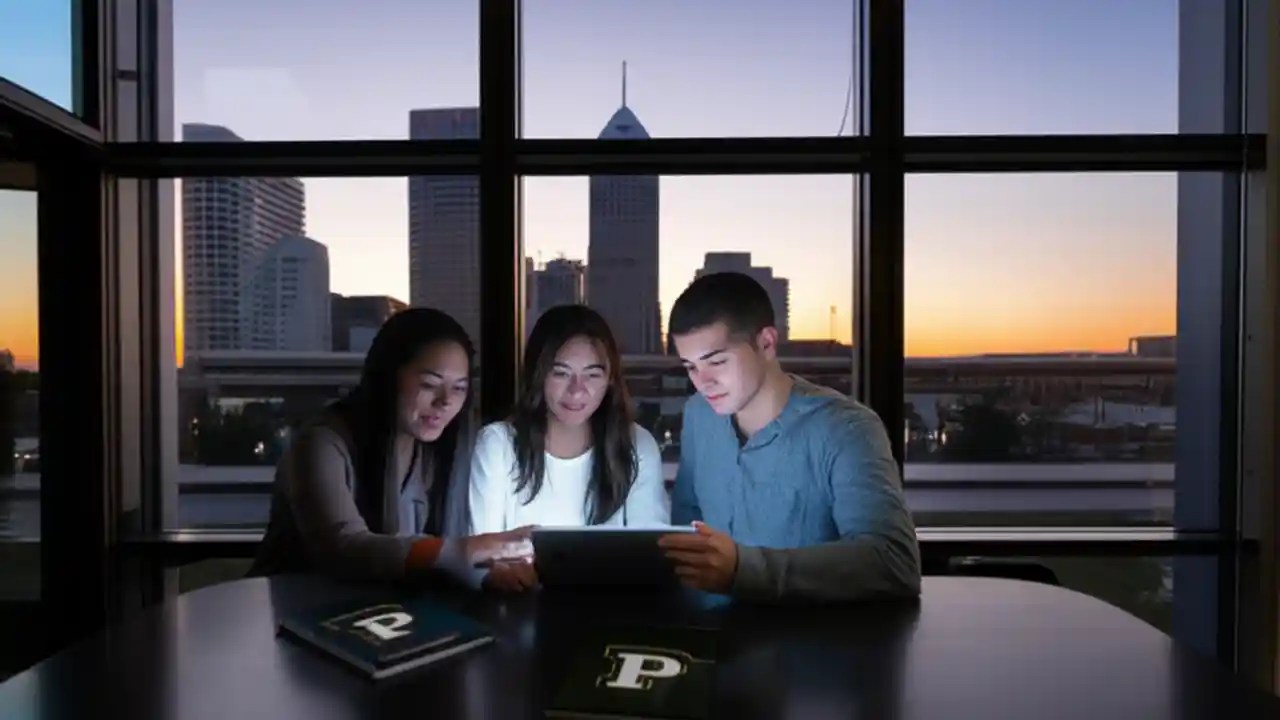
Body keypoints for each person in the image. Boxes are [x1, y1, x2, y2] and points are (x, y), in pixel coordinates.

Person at [658, 272, 920, 603]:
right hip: (704, 637)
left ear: (766, 343)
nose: (702, 381)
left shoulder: (847, 429)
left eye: (717, 361)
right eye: (690, 367)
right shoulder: (699, 414)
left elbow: (893, 562)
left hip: (808, 641)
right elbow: (686, 519)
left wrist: (743, 568)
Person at [250, 308, 532, 589]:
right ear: (388, 378)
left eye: (459, 388)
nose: (445, 401)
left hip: (387, 615)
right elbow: (341, 547)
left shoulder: (443, 448)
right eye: (429, 384)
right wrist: (462, 553)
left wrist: (485, 570)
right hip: (293, 610)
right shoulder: (322, 443)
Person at [469, 305, 670, 589]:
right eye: (561, 373)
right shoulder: (498, 444)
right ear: (538, 375)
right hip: (520, 604)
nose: (577, 390)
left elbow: (650, 551)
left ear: (610, 379)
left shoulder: (636, 445)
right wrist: (497, 572)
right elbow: (482, 553)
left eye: (592, 375)